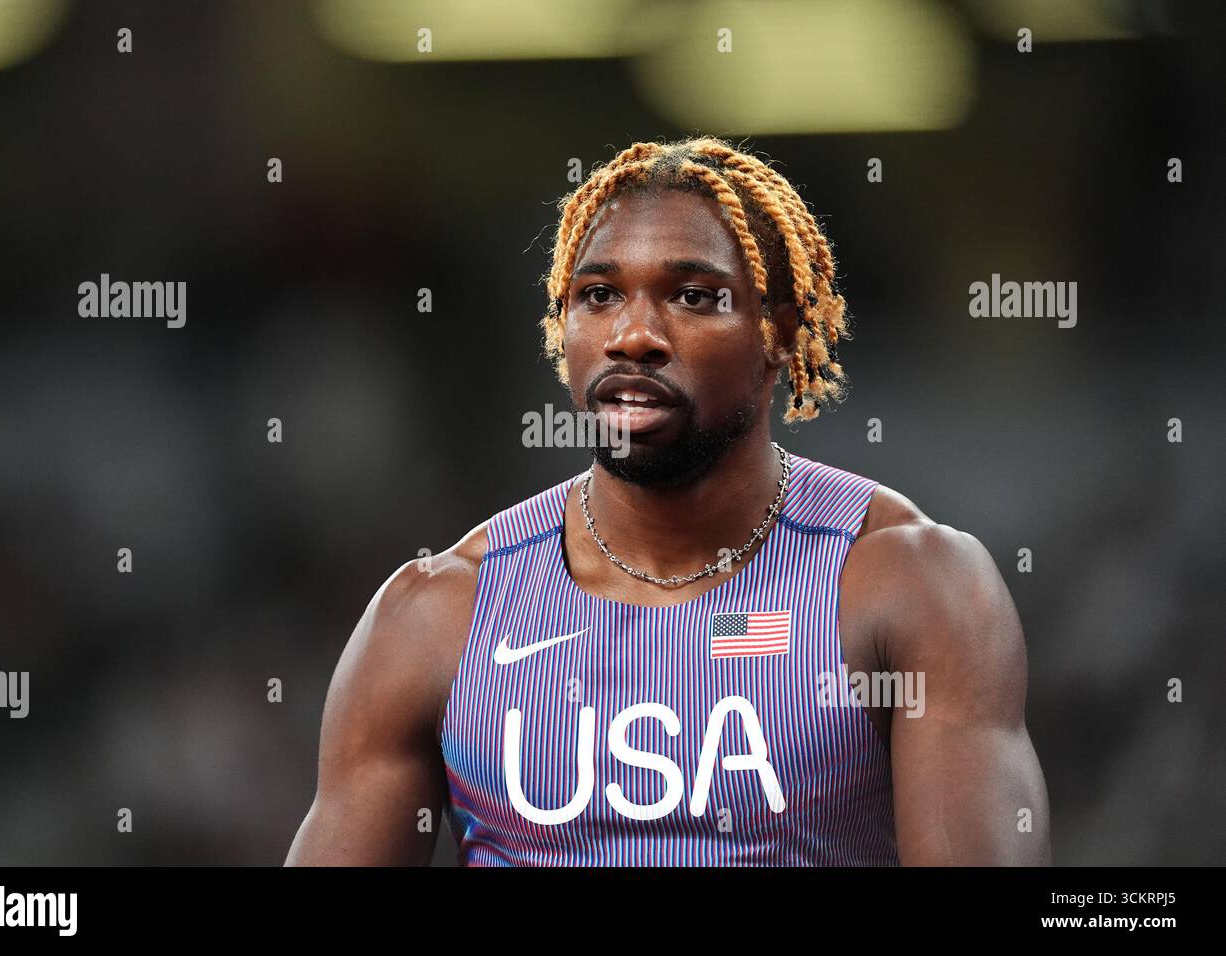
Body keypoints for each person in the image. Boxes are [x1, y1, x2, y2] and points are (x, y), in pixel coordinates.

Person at [285, 136, 1051, 866]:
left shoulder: (911, 584)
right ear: (565, 330)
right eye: (599, 296)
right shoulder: (435, 614)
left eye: (692, 295)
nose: (635, 335)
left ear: (779, 333)